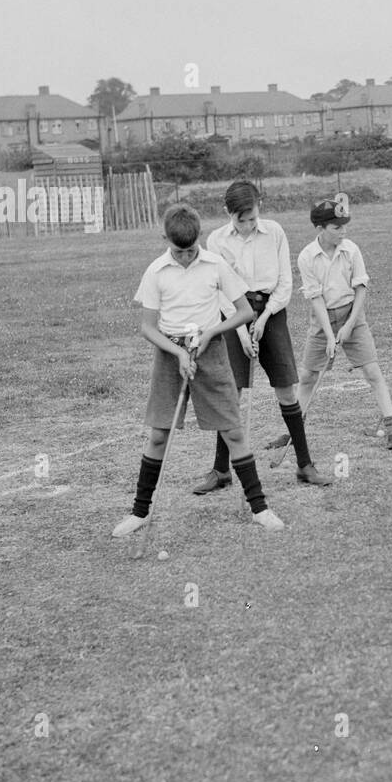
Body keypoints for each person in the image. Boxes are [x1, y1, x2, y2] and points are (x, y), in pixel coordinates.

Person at [113, 203, 284, 537]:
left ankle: (260, 508)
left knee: (233, 431)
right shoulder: (156, 271)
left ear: (199, 239)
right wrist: (178, 351)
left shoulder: (215, 264)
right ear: (165, 239)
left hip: (211, 351)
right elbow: (148, 328)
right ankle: (139, 512)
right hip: (170, 355)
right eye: (180, 251)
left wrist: (209, 334)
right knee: (159, 434)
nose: (187, 256)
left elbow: (245, 311)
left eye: (191, 249)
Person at [194, 181, 331, 493]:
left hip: (272, 312)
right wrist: (241, 328)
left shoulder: (276, 232)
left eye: (252, 218)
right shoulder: (216, 240)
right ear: (227, 213)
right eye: (240, 220)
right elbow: (221, 291)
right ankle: (221, 470)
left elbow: (284, 281)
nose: (247, 225)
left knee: (286, 390)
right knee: (231, 393)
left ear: (259, 208)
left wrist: (265, 317)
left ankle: (304, 464)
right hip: (232, 317)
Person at [281, 196, 392, 451]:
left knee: (372, 371)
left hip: (353, 315)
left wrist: (348, 326)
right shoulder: (306, 256)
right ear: (320, 229)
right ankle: (294, 432)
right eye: (337, 228)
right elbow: (315, 299)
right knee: (307, 376)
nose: (343, 231)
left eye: (344, 226)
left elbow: (361, 289)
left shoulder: (351, 249)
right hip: (322, 318)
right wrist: (329, 335)